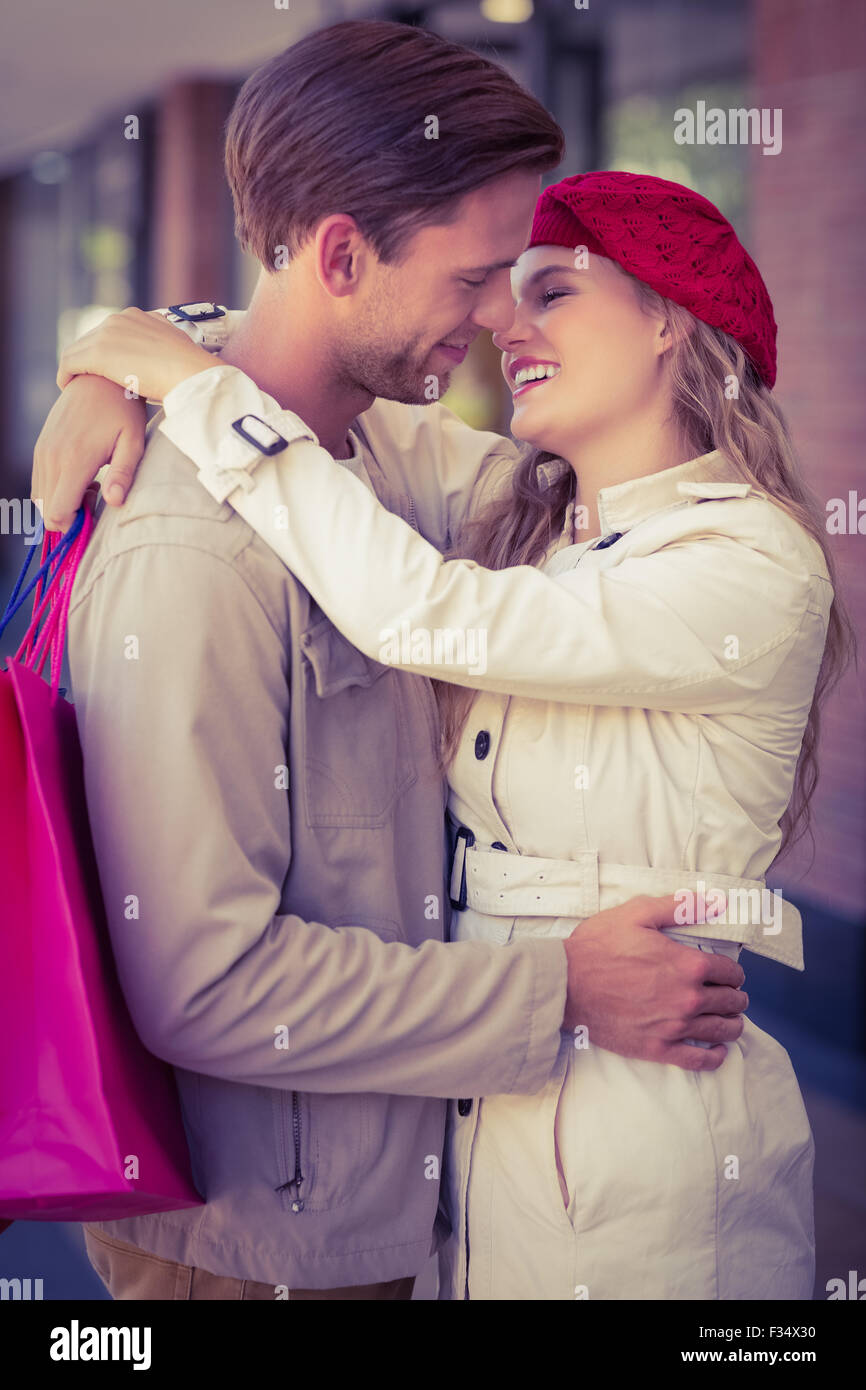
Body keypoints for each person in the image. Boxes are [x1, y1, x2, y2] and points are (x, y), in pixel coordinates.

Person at [39, 170, 854, 1301]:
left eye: (553, 291)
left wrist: (177, 380)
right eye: (497, 289)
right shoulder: (524, 509)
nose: (504, 325)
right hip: (483, 1135)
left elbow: (414, 607)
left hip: (646, 1135)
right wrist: (123, 358)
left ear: (668, 318)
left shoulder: (749, 565)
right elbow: (300, 362)